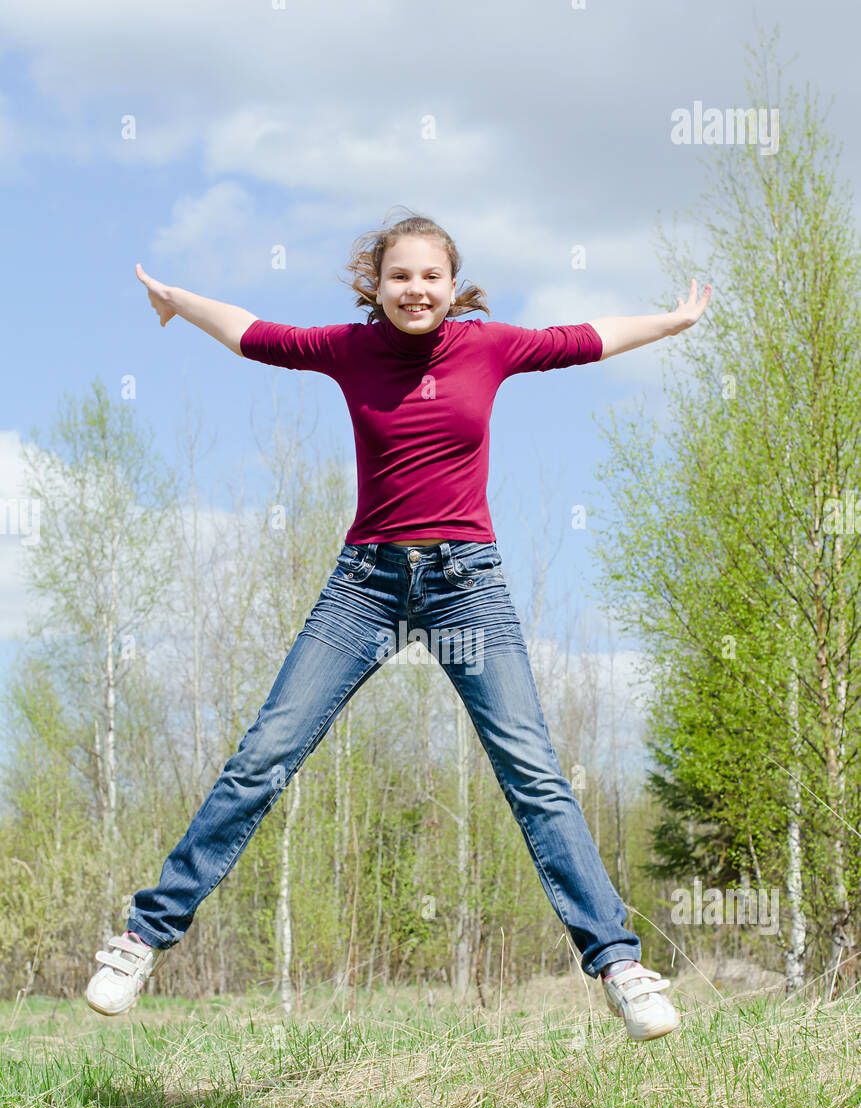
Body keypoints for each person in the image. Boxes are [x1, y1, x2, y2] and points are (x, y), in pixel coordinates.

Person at [86, 212, 711, 1041]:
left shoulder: (490, 347)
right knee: (264, 755)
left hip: (466, 585)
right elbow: (252, 334)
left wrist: (670, 320)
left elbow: (585, 338)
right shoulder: (348, 350)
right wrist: (177, 300)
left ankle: (620, 965)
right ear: (373, 286)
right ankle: (143, 938)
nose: (414, 290)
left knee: (533, 773)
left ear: (452, 288)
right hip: (366, 584)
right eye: (398, 277)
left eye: (430, 277)